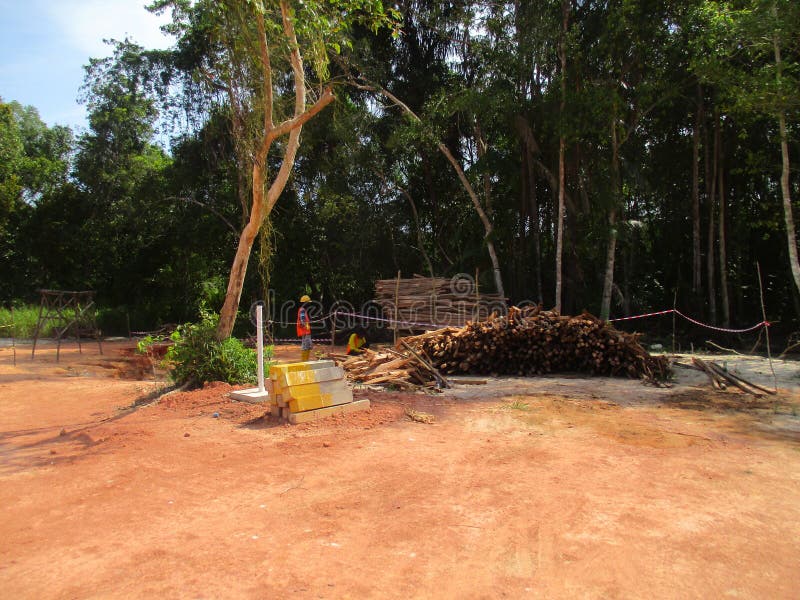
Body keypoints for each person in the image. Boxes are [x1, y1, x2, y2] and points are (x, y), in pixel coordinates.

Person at [296, 294, 313, 361]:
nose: (309, 304)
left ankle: (306, 360)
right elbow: (302, 319)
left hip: (305, 330)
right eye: (308, 303)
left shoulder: (302, 310)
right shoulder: (302, 310)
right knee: (306, 346)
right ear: (305, 303)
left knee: (307, 346)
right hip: (304, 331)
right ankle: (304, 361)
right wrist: (306, 325)